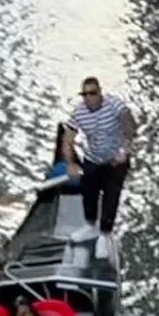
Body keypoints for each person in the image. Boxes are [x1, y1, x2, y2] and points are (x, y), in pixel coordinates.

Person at [61, 75, 137, 262]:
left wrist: (125, 149)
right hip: (93, 159)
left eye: (92, 93)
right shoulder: (79, 113)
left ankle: (104, 235)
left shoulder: (113, 105)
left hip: (116, 161)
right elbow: (67, 139)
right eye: (85, 94)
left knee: (111, 197)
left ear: (100, 92)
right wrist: (70, 163)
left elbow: (129, 123)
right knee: (89, 194)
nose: (89, 97)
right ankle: (89, 225)